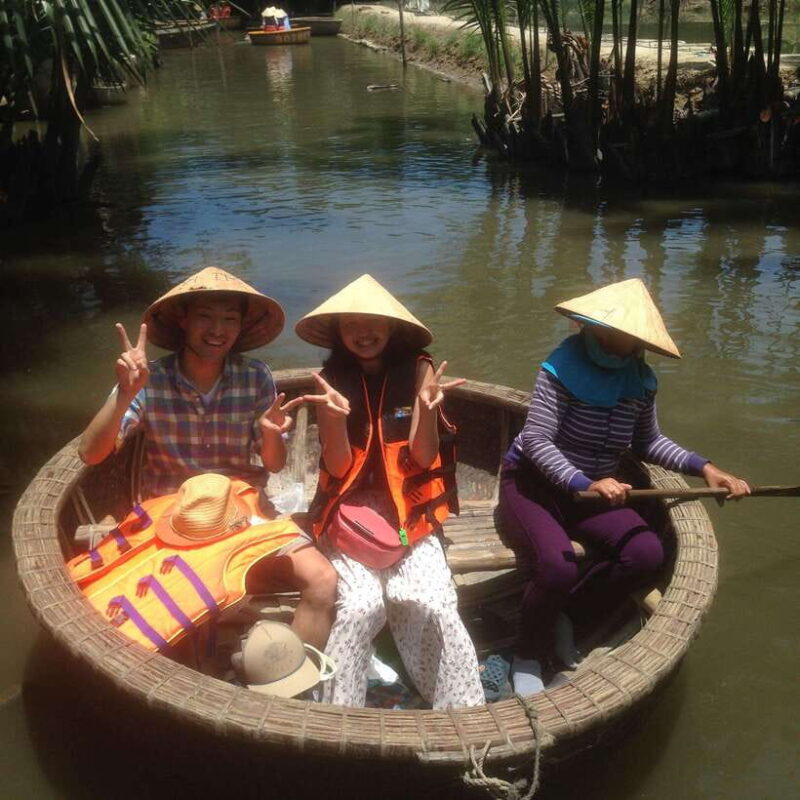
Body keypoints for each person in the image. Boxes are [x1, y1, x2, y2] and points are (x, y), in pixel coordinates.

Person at [498, 278, 750, 695]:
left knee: (646, 553)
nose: (626, 341)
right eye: (616, 331)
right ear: (596, 327)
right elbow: (537, 441)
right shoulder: (560, 368)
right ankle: (526, 652)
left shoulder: (641, 380)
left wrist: (705, 467)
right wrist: (585, 481)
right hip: (534, 485)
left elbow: (647, 441)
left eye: (634, 336)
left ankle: (567, 614)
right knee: (557, 565)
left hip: (594, 490)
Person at [78, 266, 337, 650]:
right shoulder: (148, 379)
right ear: (183, 319)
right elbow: (90, 453)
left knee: (323, 581)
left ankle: (296, 674)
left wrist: (270, 434)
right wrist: (124, 394)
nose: (218, 330)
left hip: (242, 510)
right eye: (206, 317)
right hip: (170, 516)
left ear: (241, 326)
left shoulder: (255, 377)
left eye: (229, 319)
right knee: (129, 613)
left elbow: (274, 465)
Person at [293, 274, 484, 709]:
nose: (363, 333)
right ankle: (338, 711)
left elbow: (422, 458)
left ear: (393, 327)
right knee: (360, 606)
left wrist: (427, 411)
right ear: (338, 332)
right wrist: (334, 420)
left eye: (374, 323)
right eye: (351, 325)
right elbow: (338, 468)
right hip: (348, 515)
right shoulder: (331, 380)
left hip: (409, 513)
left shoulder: (419, 369)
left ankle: (460, 710)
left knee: (431, 600)